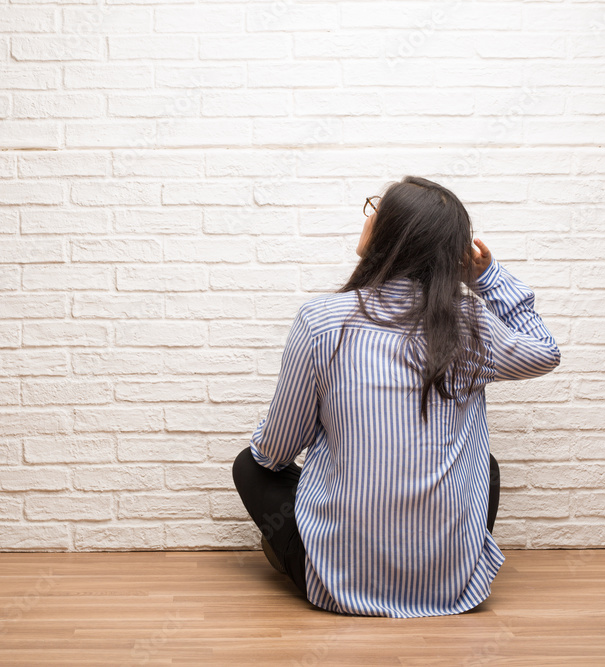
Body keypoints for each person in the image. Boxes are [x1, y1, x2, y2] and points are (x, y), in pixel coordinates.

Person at [231, 176, 561, 618]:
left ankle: (309, 552)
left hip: (336, 588)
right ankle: (435, 570)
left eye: (375, 209)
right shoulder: (469, 321)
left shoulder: (322, 320)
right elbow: (544, 352)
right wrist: (488, 278)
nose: (367, 216)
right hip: (452, 591)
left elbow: (273, 454)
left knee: (249, 466)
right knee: (488, 468)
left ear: (390, 231)